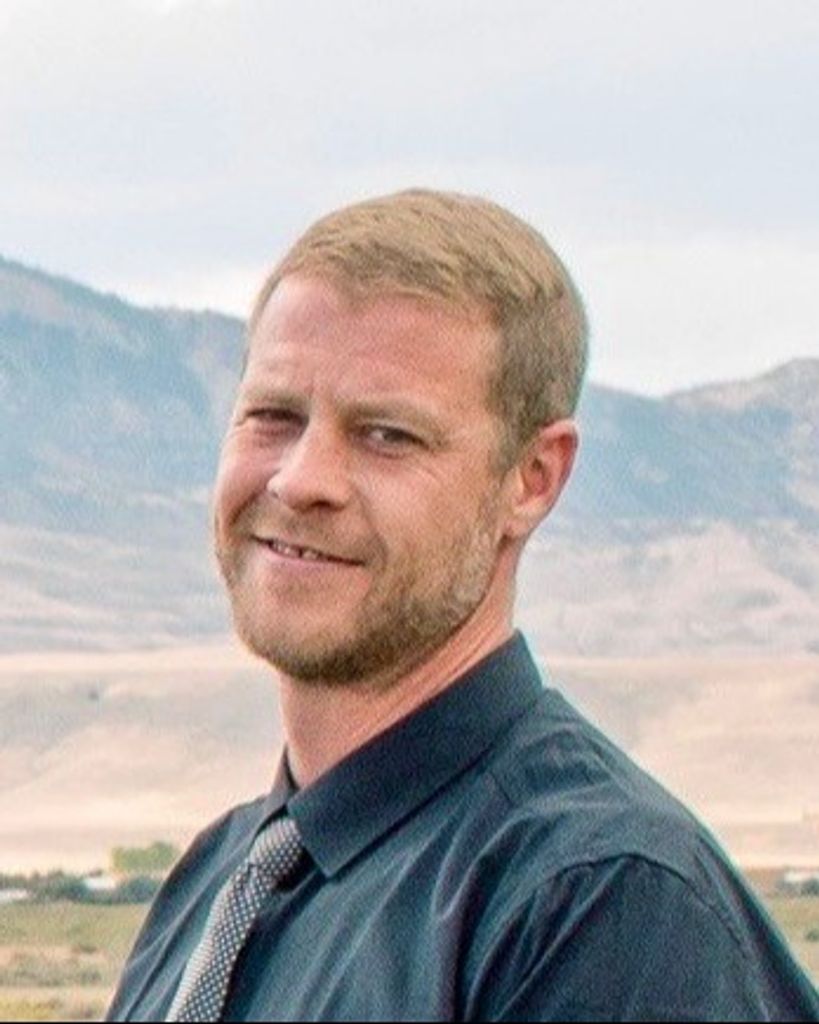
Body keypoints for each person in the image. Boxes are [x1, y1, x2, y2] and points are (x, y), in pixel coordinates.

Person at [107, 189, 819, 1022]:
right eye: (273, 416)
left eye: (386, 435)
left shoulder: (598, 905)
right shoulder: (216, 886)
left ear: (532, 479)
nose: (301, 480)